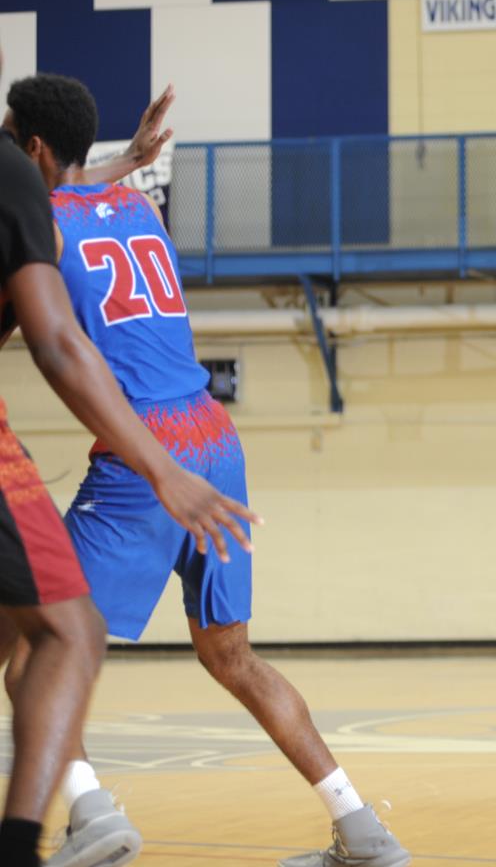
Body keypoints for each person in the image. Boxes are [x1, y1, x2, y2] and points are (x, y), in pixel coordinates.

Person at [2, 74, 409, 867]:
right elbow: (80, 188)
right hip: (215, 438)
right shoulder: (138, 208)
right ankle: (361, 828)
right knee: (233, 658)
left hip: (144, 452)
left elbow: (49, 261)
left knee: (34, 655)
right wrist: (126, 161)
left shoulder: (35, 221)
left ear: (33, 150)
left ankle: (89, 814)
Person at [0, 70, 256, 866]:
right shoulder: (57, 189)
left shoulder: (27, 182)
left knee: (33, 639)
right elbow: (60, 344)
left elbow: (45, 193)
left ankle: (81, 815)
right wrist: (160, 469)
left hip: (143, 442)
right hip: (188, 433)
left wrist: (121, 160)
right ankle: (61, 827)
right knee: (67, 634)